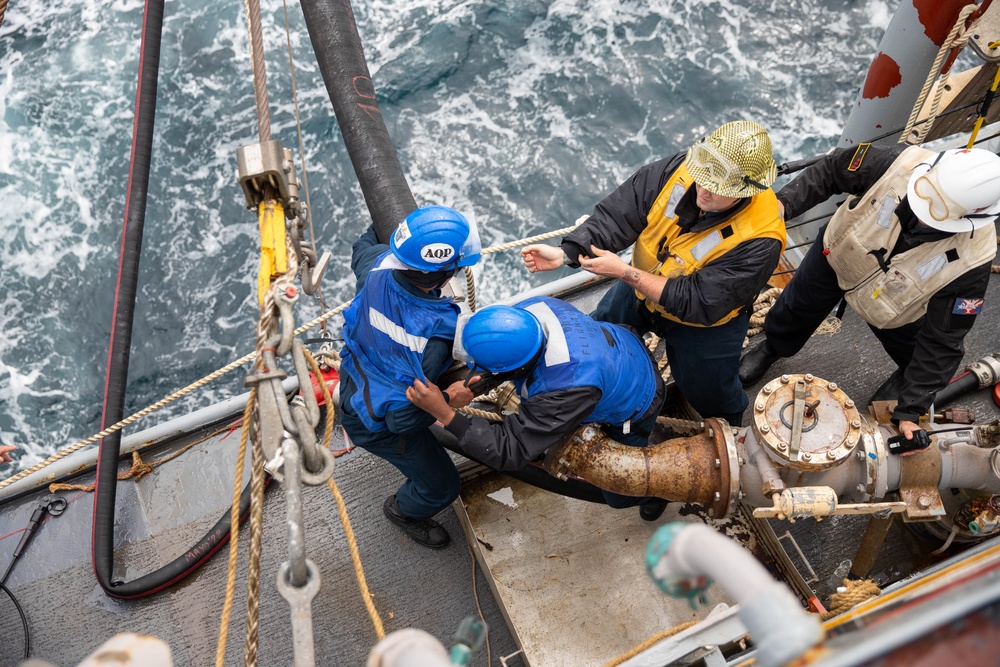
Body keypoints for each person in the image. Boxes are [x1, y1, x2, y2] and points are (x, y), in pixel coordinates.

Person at [520, 120, 786, 426]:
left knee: (710, 392)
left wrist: (626, 273)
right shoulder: (679, 170)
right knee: (593, 338)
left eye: (720, 186)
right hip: (637, 292)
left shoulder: (761, 240)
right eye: (704, 174)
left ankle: (730, 432)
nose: (706, 189)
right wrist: (566, 252)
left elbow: (699, 301)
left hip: (702, 324)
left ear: (748, 190)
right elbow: (620, 214)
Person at [738, 145, 1000, 446]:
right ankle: (773, 346)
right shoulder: (897, 162)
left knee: (918, 355)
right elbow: (832, 169)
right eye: (925, 192)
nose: (922, 209)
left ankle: (907, 386)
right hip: (839, 255)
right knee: (795, 308)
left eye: (939, 209)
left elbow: (945, 339)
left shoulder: (975, 258)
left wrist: (911, 411)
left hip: (897, 306)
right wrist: (783, 205)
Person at [406, 296, 670, 520]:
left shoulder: (567, 388)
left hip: (641, 397)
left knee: (619, 494)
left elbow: (511, 450)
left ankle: (658, 494)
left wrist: (445, 413)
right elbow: (525, 355)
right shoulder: (532, 308)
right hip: (621, 343)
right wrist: (484, 383)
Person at [338, 205, 481, 549]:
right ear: (444, 275)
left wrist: (413, 228)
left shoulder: (377, 265)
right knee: (444, 486)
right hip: (378, 424)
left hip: (355, 380)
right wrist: (447, 401)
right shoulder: (435, 338)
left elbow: (362, 244)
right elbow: (402, 419)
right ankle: (403, 510)